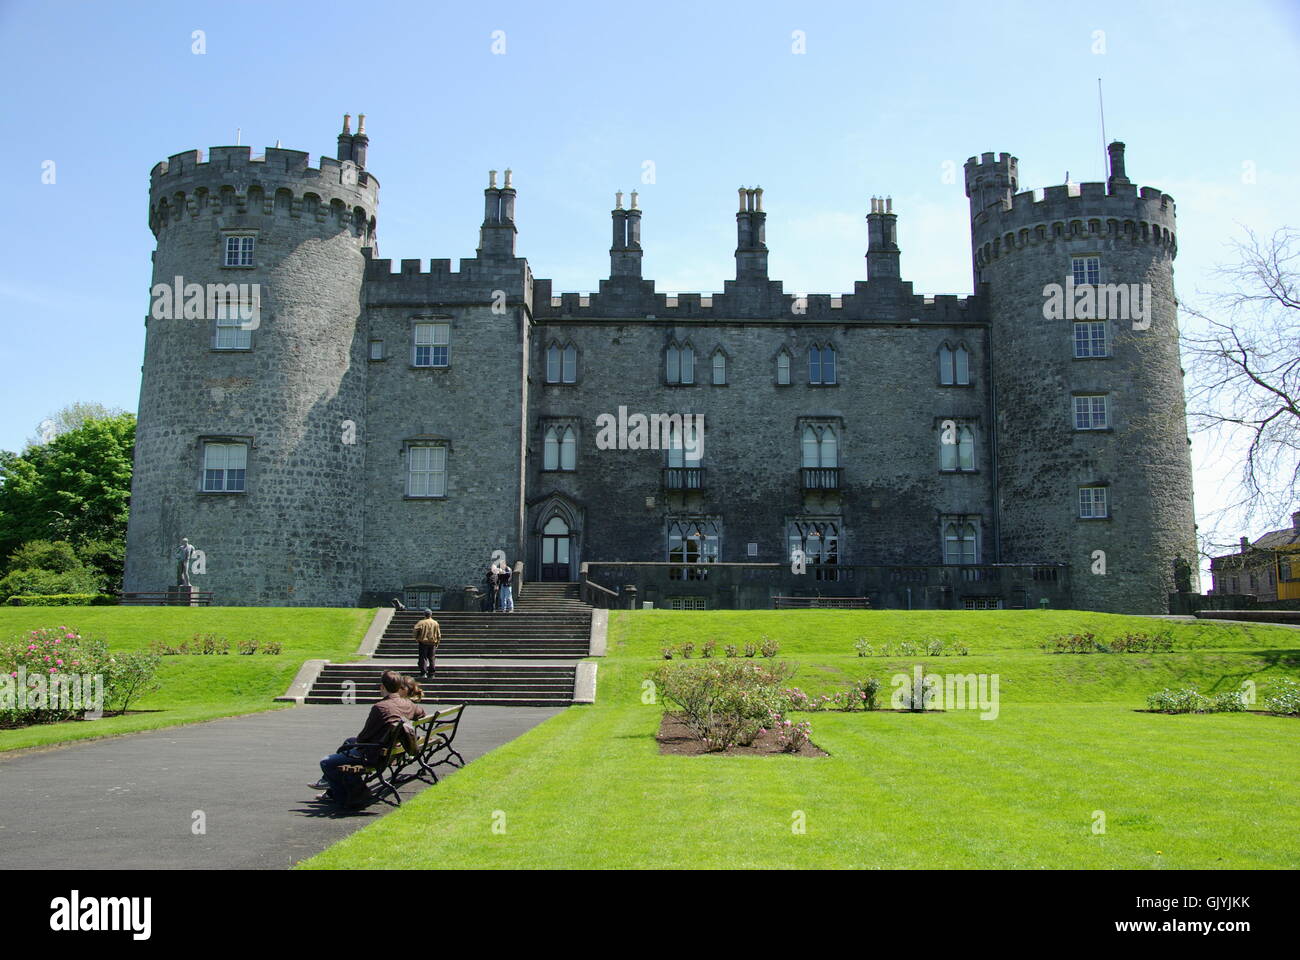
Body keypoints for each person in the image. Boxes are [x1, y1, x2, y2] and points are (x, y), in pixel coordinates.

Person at [313, 670, 426, 809]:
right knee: (349, 741)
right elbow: (421, 714)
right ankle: (331, 787)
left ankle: (342, 795)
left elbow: (363, 738)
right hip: (392, 749)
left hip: (374, 754)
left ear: (382, 687)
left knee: (326, 762)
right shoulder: (407, 704)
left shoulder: (380, 707)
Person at [413, 608, 441, 679]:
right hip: (432, 643)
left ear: (424, 614)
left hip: (423, 642)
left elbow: (415, 630)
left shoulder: (421, 622)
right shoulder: (435, 623)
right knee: (432, 658)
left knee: (423, 658)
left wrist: (416, 638)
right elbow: (439, 634)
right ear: (431, 615)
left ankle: (423, 673)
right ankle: (431, 674)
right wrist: (437, 642)